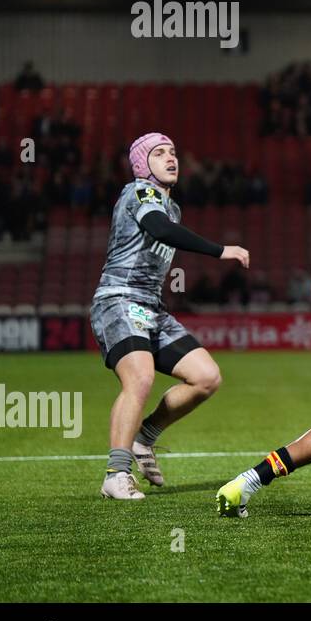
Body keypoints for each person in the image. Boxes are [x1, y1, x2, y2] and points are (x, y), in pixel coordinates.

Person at [91, 132, 249, 500]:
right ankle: (116, 473)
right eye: (159, 154)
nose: (170, 158)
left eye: (173, 152)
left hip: (151, 307)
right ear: (143, 164)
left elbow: (167, 225)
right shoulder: (139, 192)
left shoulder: (171, 207)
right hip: (118, 299)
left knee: (206, 377)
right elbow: (161, 230)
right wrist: (221, 250)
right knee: (141, 378)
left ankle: (144, 440)